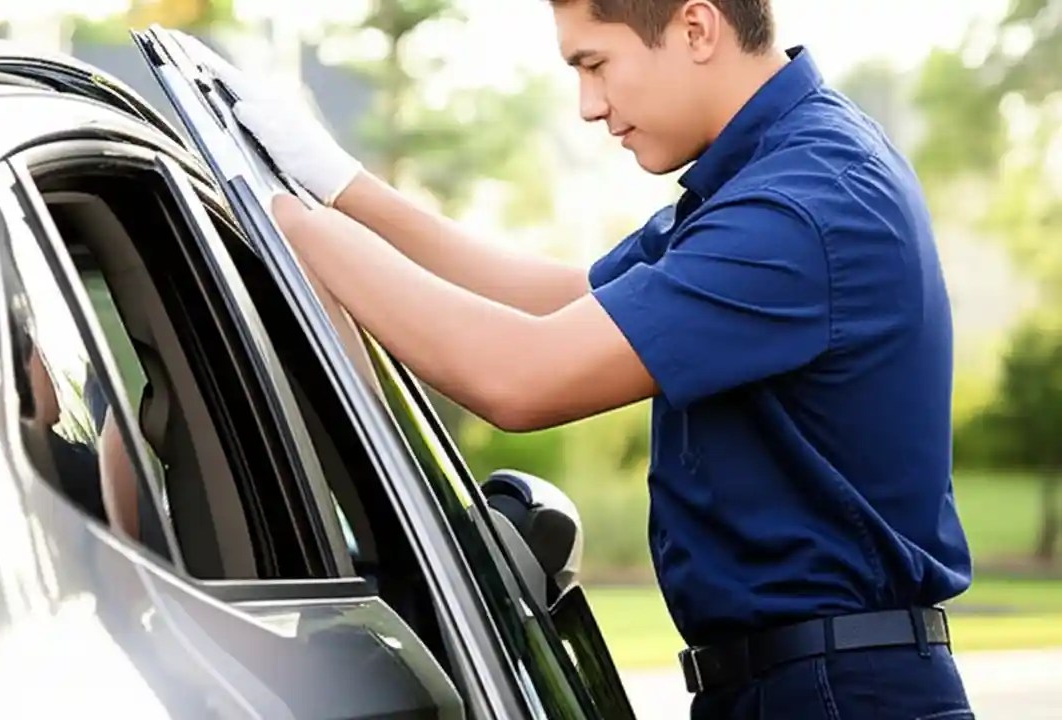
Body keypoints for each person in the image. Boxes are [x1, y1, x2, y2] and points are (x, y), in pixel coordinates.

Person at [225, 1, 974, 717]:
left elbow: (518, 377)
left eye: (595, 64)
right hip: (807, 681)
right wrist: (341, 187)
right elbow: (563, 302)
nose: (588, 105)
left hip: (836, 691)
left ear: (696, 28)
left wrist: (275, 213)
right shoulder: (773, 171)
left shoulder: (804, 204)